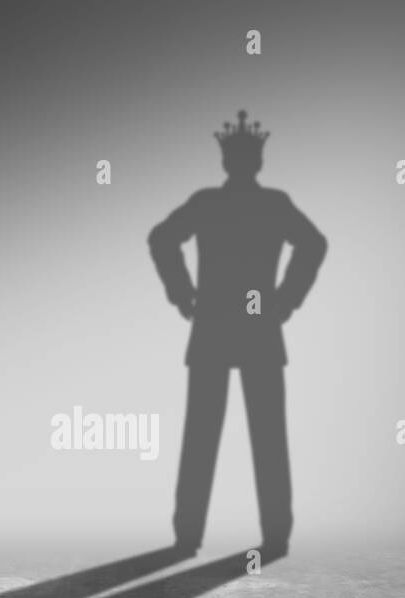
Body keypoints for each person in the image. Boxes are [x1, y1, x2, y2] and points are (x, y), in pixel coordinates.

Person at [148, 110, 326, 557]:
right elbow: (314, 244)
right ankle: (275, 533)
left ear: (228, 162)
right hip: (259, 329)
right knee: (266, 435)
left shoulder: (209, 204)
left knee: (203, 433)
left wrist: (183, 293)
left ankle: (188, 534)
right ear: (257, 162)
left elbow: (162, 238)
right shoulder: (273, 205)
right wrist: (284, 300)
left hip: (213, 327)